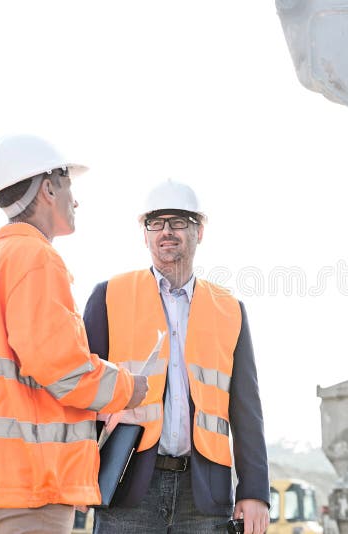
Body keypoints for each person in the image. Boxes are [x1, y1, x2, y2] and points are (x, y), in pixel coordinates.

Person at [0, 134, 148, 533]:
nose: (76, 199)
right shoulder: (36, 260)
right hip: (30, 489)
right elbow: (62, 368)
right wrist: (127, 387)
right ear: (49, 188)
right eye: (70, 184)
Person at [84, 179, 270, 534]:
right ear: (145, 235)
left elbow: (246, 408)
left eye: (179, 221)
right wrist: (75, 474)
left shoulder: (229, 310)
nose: (166, 231)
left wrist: (255, 491)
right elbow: (85, 393)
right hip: (126, 484)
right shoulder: (109, 297)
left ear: (199, 232)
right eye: (156, 222)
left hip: (203, 493)